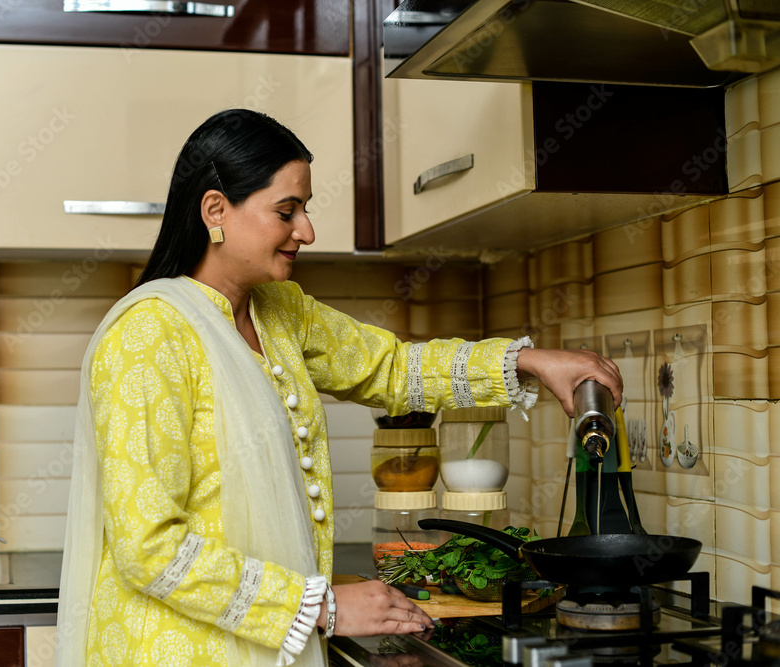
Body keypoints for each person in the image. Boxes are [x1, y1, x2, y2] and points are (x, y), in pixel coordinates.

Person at [55, 109, 623, 667]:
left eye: (305, 209)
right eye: (287, 211)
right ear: (215, 210)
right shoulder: (148, 334)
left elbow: (390, 369)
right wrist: (321, 607)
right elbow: (150, 550)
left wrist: (528, 361)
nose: (306, 231)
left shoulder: (279, 311)